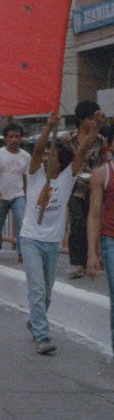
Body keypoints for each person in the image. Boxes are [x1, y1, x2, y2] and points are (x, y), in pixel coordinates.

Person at [21, 110, 100, 354]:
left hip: (52, 243)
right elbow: (36, 151)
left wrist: (97, 127)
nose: (46, 159)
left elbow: (82, 151)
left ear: (61, 161)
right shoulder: (34, 175)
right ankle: (42, 336)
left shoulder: (67, 178)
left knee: (46, 293)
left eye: (52, 156)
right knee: (36, 290)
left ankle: (35, 320)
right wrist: (48, 126)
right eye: (46, 156)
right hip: (30, 240)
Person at [60, 100, 107, 279]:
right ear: (80, 119)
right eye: (89, 119)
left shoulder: (101, 139)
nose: (92, 122)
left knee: (94, 222)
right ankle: (78, 263)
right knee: (78, 222)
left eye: (94, 119)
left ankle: (93, 258)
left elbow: (104, 161)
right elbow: (63, 161)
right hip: (73, 186)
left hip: (94, 187)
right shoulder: (67, 138)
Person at [86, 127, 114, 354]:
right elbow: (94, 215)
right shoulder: (102, 174)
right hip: (111, 240)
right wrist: (92, 253)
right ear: (111, 145)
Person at [0, 124, 30, 263]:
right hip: (1, 196)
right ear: (5, 138)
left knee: (22, 223)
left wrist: (26, 194)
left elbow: (26, 177)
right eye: (10, 137)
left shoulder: (26, 156)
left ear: (21, 138)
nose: (14, 140)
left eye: (17, 136)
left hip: (18, 195)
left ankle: (22, 253)